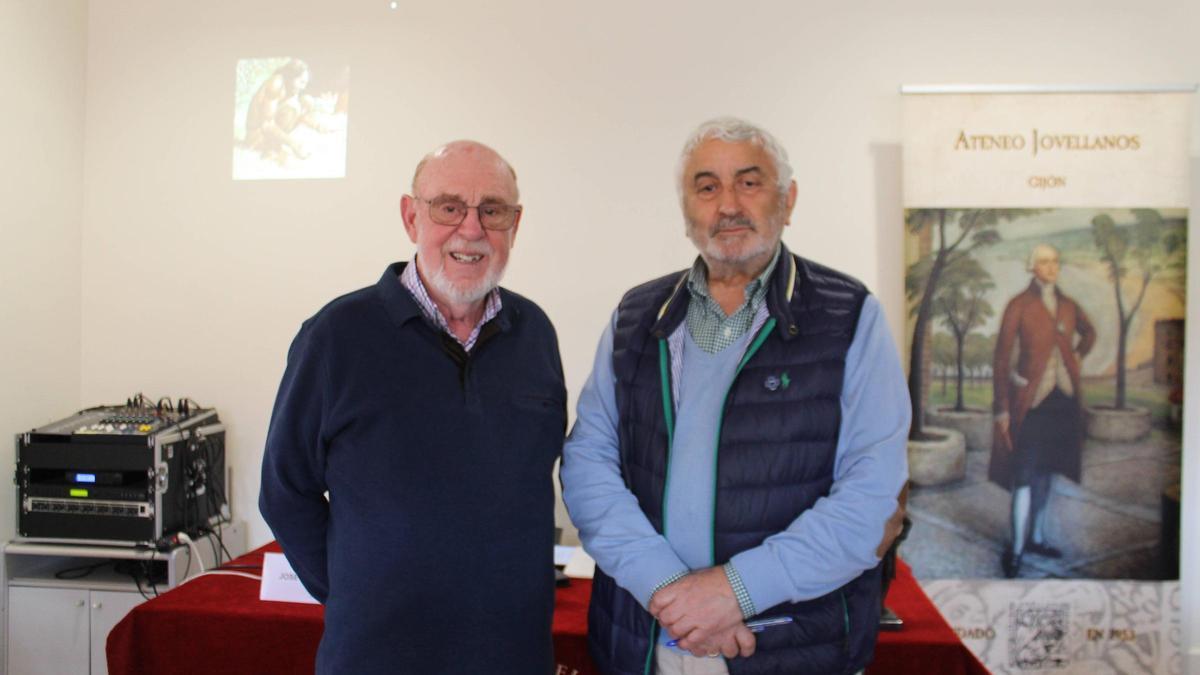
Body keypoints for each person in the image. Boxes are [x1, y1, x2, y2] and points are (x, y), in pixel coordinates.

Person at [561, 117, 910, 675]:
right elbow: (588, 464)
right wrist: (670, 591)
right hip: (646, 641)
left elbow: (873, 497)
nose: (728, 205)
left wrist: (734, 592)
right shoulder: (636, 316)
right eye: (707, 187)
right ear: (686, 211)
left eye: (749, 182)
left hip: (787, 647)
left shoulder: (848, 316)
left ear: (788, 199)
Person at [259, 140, 566, 674]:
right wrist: (357, 589)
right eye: (449, 207)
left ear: (515, 225)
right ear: (410, 217)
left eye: (492, 211)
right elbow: (285, 491)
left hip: (512, 654)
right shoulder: (336, 337)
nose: (471, 230)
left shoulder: (534, 332)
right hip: (377, 657)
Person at [990, 243, 1095, 578]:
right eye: (1045, 262)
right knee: (1023, 476)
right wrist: (1002, 409)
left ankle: (1036, 537)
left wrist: (1075, 357)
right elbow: (1001, 358)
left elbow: (1089, 333)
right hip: (1029, 404)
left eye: (1055, 262)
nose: (1052, 267)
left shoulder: (1068, 305)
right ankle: (1017, 548)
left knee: (1048, 472)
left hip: (1062, 401)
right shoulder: (1019, 305)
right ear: (1032, 267)